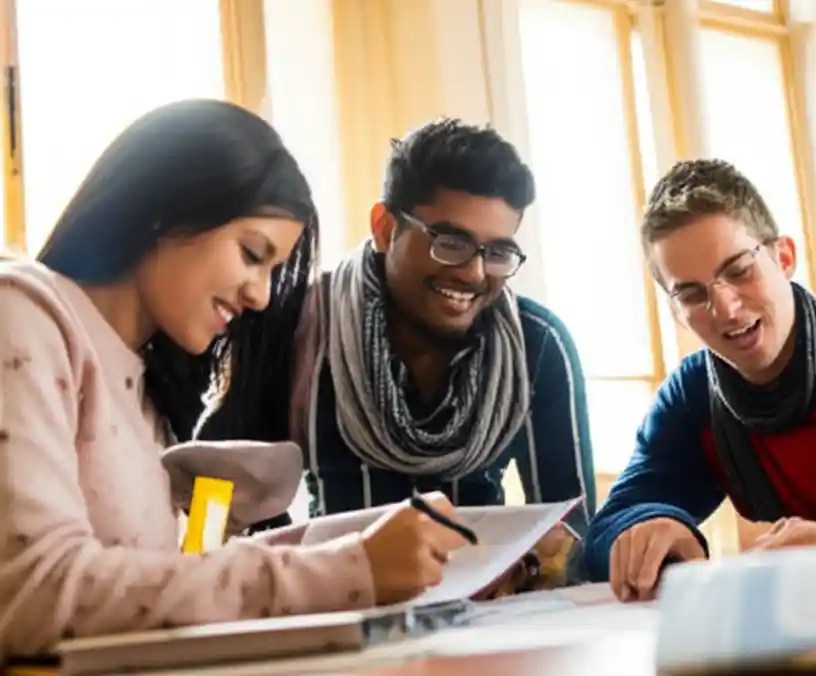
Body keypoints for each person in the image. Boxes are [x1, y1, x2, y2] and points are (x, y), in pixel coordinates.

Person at [0, 100, 468, 657]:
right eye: (252, 254)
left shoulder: (145, 385)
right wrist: (345, 568)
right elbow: (35, 593)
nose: (261, 295)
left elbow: (140, 597)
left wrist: (348, 547)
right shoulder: (23, 314)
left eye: (273, 269)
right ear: (166, 211)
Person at [197, 118, 596, 542]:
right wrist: (254, 569)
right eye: (450, 243)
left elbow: (573, 523)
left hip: (482, 600)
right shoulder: (296, 322)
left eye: (497, 251)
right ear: (385, 228)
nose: (474, 273)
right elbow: (214, 486)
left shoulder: (537, 345)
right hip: (330, 594)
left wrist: (543, 562)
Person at [584, 159, 816, 601]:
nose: (725, 308)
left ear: (784, 257)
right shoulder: (692, 397)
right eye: (691, 293)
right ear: (674, 310)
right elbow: (607, 530)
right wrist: (649, 527)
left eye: (739, 270)